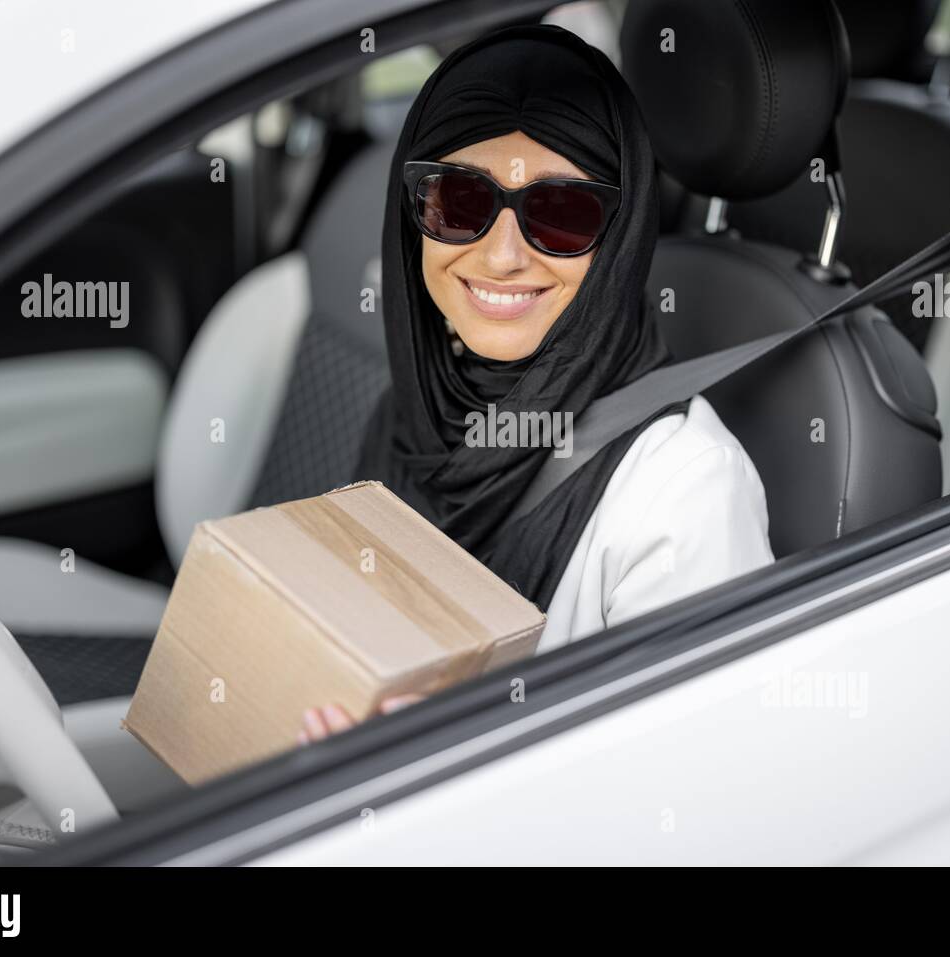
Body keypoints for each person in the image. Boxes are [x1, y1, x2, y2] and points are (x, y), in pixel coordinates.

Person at [299, 24, 773, 744]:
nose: (502, 255)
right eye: (457, 202)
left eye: (561, 215)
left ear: (620, 236)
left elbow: (698, 782)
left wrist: (453, 755)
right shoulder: (416, 405)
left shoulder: (685, 489)